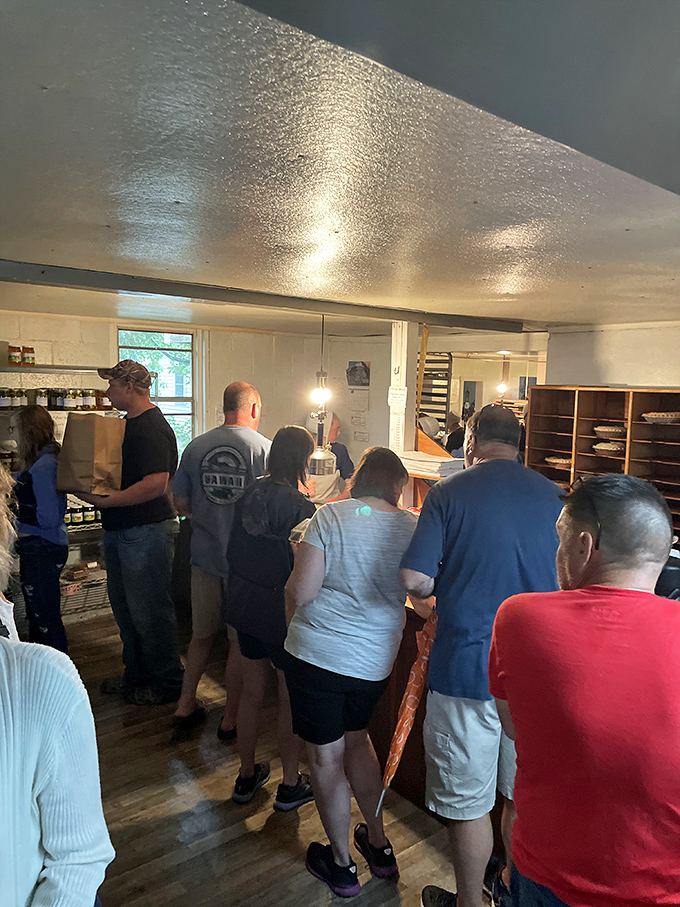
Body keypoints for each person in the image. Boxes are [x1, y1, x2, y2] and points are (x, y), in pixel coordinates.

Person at [489, 474, 680, 907]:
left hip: (547, 876)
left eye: (561, 538)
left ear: (583, 546)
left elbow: (514, 727)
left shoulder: (520, 617)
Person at [400, 404, 563, 907]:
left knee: (468, 803)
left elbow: (414, 580)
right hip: (536, 677)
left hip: (467, 670)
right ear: (519, 444)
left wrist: (445, 590)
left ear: (469, 442)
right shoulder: (557, 496)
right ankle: (510, 894)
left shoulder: (449, 493)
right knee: (519, 795)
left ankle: (470, 902)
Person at [284, 447, 422, 898]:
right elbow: (423, 597)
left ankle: (342, 866)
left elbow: (302, 592)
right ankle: (378, 846)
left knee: (324, 758)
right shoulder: (414, 526)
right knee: (358, 740)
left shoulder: (331, 517)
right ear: (398, 486)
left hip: (319, 656)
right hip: (373, 662)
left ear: (357, 479)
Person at [0, 467, 115, 906]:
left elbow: (78, 858)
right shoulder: (44, 681)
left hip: (45, 543)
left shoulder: (38, 684)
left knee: (48, 617)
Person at [78, 359, 183, 706]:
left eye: (111, 385)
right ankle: (136, 675)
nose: (107, 393)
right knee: (126, 610)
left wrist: (109, 502)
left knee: (150, 611)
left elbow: (156, 484)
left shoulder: (151, 427)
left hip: (146, 530)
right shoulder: (127, 425)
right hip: (126, 529)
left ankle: (168, 683)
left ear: (129, 387)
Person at [172, 382, 270, 738]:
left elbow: (179, 503)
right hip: (244, 568)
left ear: (224, 407)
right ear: (254, 408)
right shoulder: (264, 449)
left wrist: (205, 517)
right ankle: (229, 719)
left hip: (204, 558)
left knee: (199, 638)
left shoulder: (196, 446)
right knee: (235, 644)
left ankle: (185, 705)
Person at [225, 425, 316, 810]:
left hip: (244, 602)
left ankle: (246, 775)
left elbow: (233, 550)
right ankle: (291, 783)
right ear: (302, 460)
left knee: (250, 692)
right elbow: (305, 570)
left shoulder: (248, 492)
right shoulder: (301, 507)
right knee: (287, 697)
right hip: (281, 612)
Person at [12, 405, 69, 652]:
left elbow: (47, 517)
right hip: (39, 546)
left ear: (28, 431)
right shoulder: (42, 461)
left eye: (15, 429)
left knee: (45, 620)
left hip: (42, 547)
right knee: (38, 616)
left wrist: (12, 516)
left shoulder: (45, 465)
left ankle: (58, 675)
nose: (12, 434)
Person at [327, 414, 354, 480]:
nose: (339, 433)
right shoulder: (305, 450)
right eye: (336, 429)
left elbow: (350, 477)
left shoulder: (339, 450)